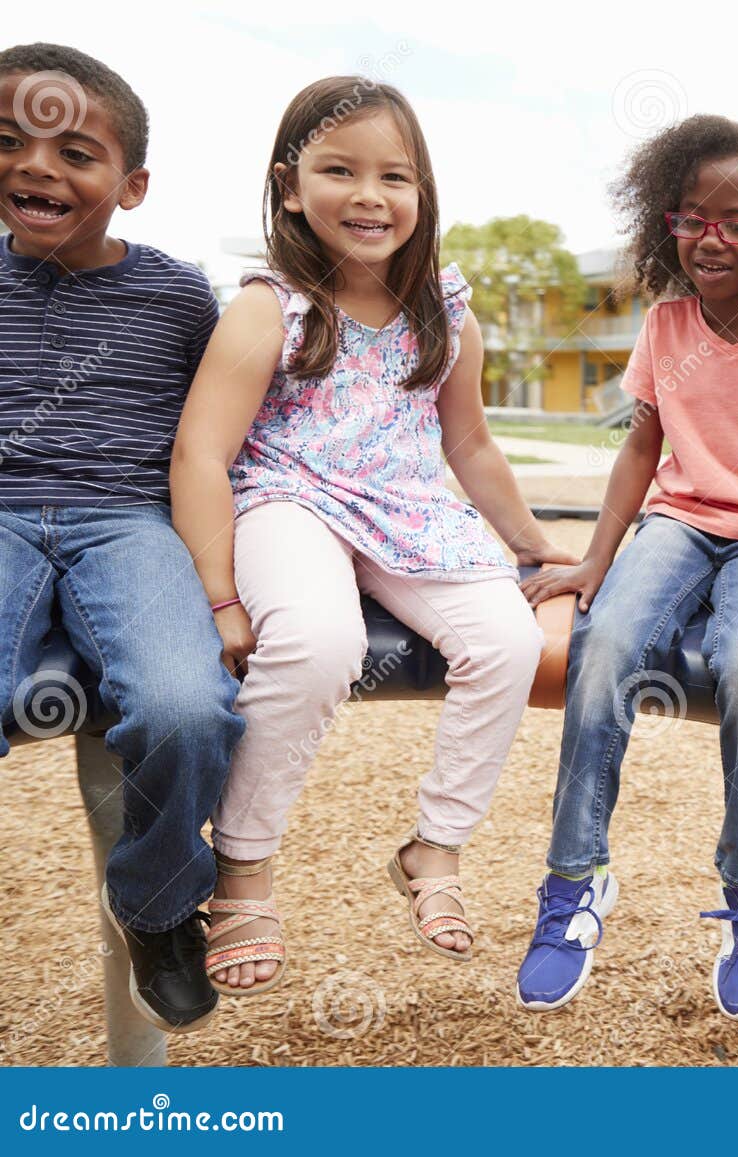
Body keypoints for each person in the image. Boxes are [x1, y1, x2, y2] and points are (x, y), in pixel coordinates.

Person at [170, 77, 572, 996]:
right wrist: (221, 595)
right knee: (319, 641)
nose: (369, 195)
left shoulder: (445, 307)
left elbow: (468, 441)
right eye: (338, 170)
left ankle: (434, 846)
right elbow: (201, 450)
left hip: (405, 506)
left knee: (509, 638)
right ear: (287, 185)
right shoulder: (271, 306)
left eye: (395, 175)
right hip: (289, 498)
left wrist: (532, 541)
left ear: (422, 194)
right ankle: (242, 862)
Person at [515, 114, 738, 1023]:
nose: (712, 236)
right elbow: (640, 449)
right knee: (606, 644)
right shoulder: (668, 324)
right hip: (678, 521)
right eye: (691, 218)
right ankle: (574, 881)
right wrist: (595, 556)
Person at [0, 43, 245, 1033]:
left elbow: (217, 432)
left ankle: (155, 903)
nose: (36, 168)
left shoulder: (181, 295)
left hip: (126, 521)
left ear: (131, 185)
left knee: (187, 704)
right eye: (10, 142)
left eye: (74, 152)